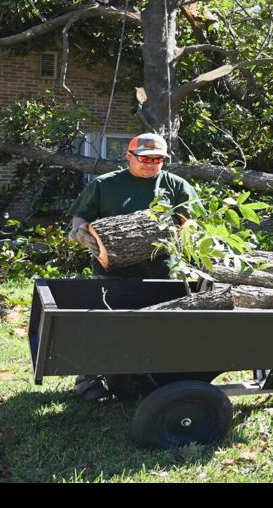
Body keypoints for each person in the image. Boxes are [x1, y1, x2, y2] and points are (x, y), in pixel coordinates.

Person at [67, 133, 200, 401]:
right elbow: (80, 217)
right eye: (145, 158)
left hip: (162, 271)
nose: (151, 163)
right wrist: (80, 232)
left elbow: (191, 221)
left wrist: (185, 233)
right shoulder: (104, 185)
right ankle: (90, 379)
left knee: (158, 328)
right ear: (129, 156)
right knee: (105, 326)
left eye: (158, 159)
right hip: (112, 272)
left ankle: (149, 379)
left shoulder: (175, 185)